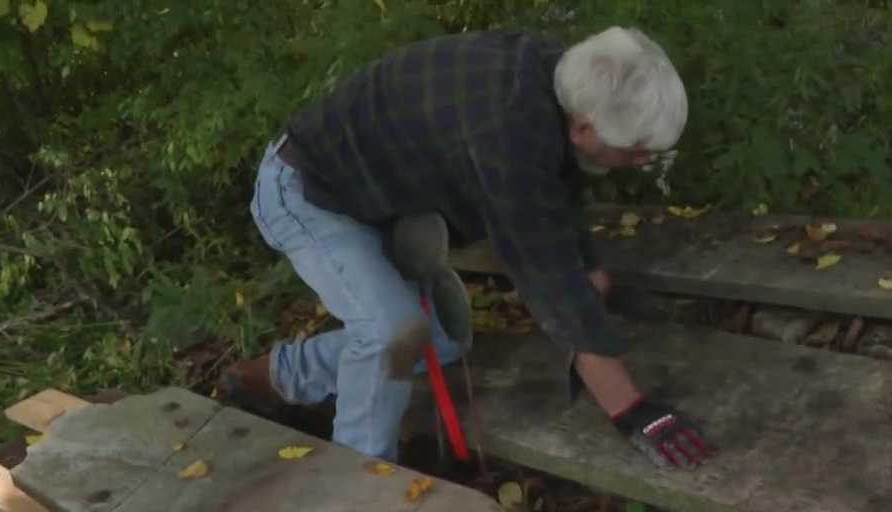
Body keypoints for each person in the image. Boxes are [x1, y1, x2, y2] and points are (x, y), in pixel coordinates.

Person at [220, 26, 715, 470]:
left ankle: (271, 376)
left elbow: (555, 189)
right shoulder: (508, 129)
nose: (644, 159)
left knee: (443, 340)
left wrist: (587, 266)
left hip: (378, 201)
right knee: (393, 331)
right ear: (584, 128)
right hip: (306, 190)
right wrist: (631, 410)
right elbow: (540, 264)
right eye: (636, 151)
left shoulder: (565, 79)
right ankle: (361, 493)